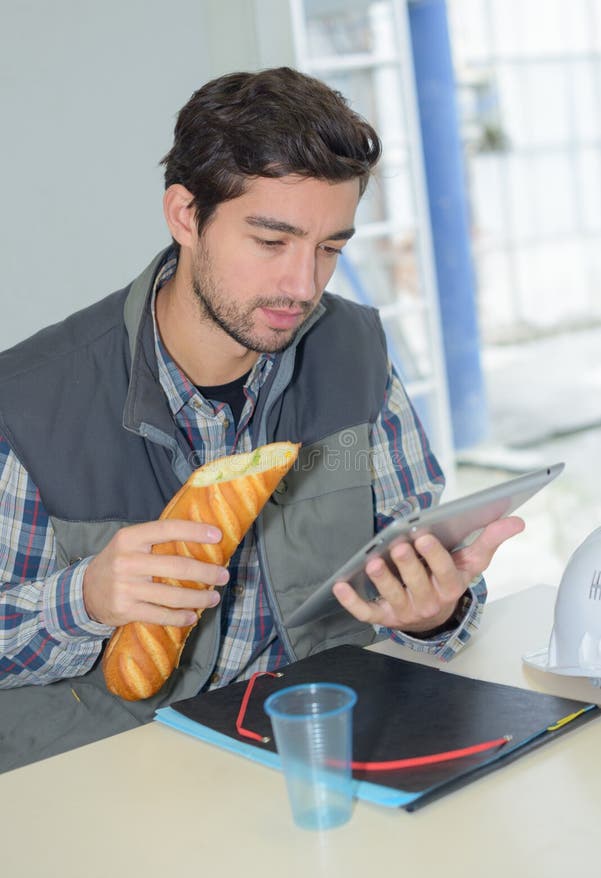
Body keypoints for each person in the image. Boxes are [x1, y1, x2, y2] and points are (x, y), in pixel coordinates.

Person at [0, 67, 523, 772]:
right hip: (111, 776)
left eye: (330, 248)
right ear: (185, 215)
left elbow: (414, 553)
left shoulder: (353, 351)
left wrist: (433, 609)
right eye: (271, 242)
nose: (302, 285)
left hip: (317, 742)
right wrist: (83, 599)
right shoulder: (29, 402)